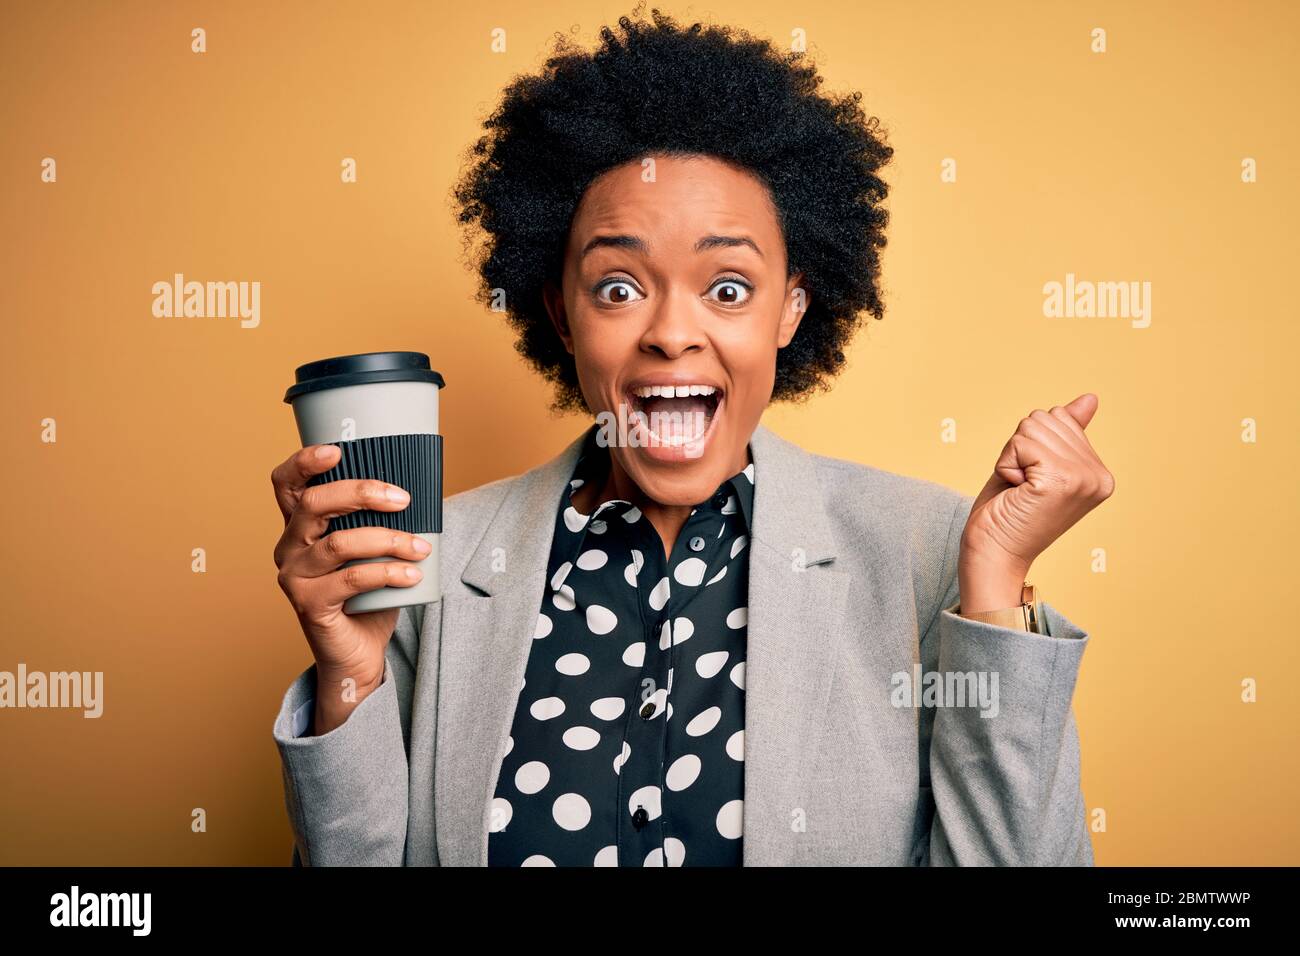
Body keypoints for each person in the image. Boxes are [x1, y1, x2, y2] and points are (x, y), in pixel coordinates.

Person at [269, 7, 1113, 866]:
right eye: (619, 288)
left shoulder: (929, 557)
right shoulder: (431, 564)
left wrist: (998, 587)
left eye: (730, 289)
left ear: (793, 306)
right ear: (562, 314)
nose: (672, 332)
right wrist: (350, 675)